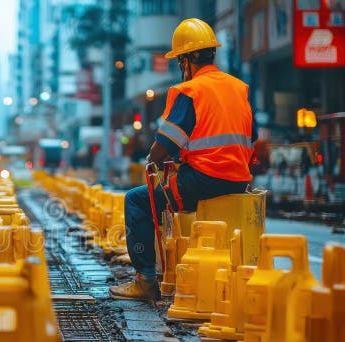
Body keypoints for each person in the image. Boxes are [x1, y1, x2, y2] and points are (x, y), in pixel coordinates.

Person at [109, 18, 256, 301]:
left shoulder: (190, 91)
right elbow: (251, 139)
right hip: (239, 180)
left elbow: (165, 144)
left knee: (137, 200)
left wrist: (152, 158)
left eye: (180, 61)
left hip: (204, 180)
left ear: (187, 61)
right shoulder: (239, 88)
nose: (181, 68)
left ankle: (146, 281)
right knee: (168, 193)